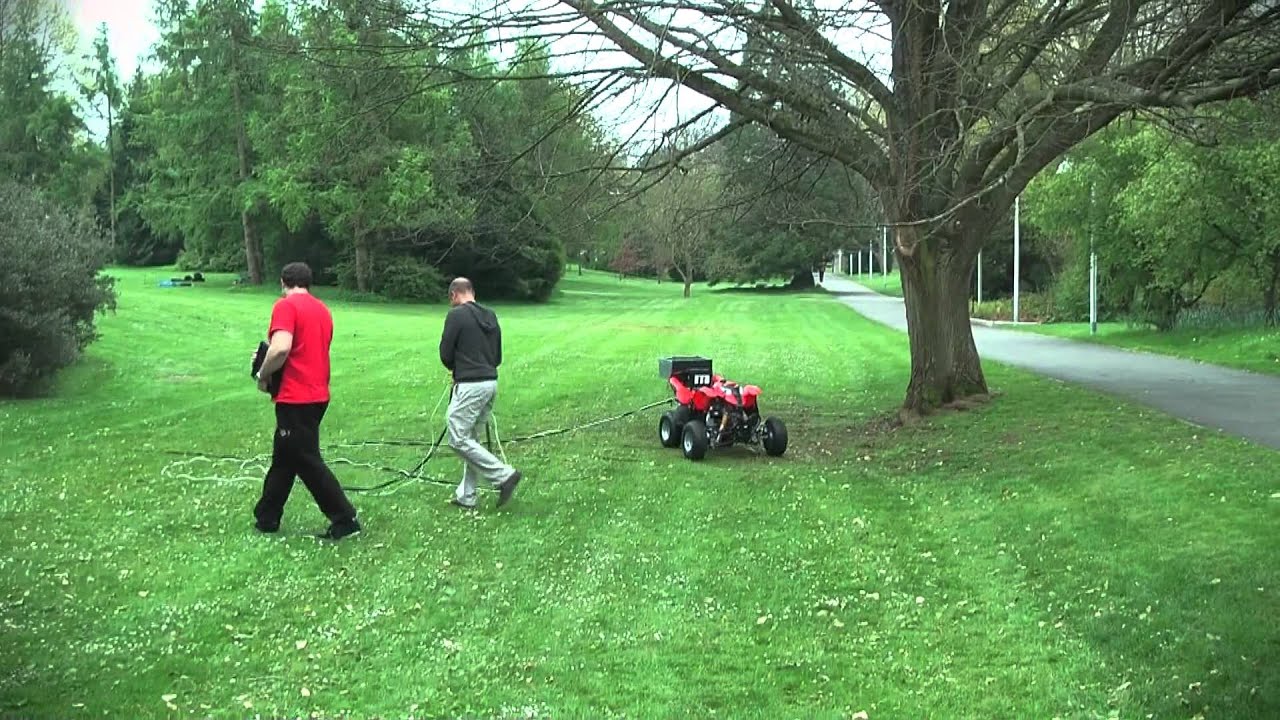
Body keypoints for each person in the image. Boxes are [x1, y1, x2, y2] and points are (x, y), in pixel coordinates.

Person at [252, 262, 361, 540]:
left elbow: (281, 348)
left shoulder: (286, 306)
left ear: (282, 282)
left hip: (296, 397)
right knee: (285, 457)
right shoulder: (322, 310)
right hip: (317, 394)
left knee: (306, 459)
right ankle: (267, 517)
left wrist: (262, 372)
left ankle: (344, 518)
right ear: (308, 282)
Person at [439, 277, 522, 509]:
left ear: (454, 295)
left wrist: (456, 368)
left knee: (457, 438)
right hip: (490, 383)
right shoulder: (491, 315)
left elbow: (445, 353)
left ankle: (504, 475)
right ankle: (467, 495)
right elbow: (497, 357)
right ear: (472, 292)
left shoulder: (455, 315)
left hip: (470, 385)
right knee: (471, 439)